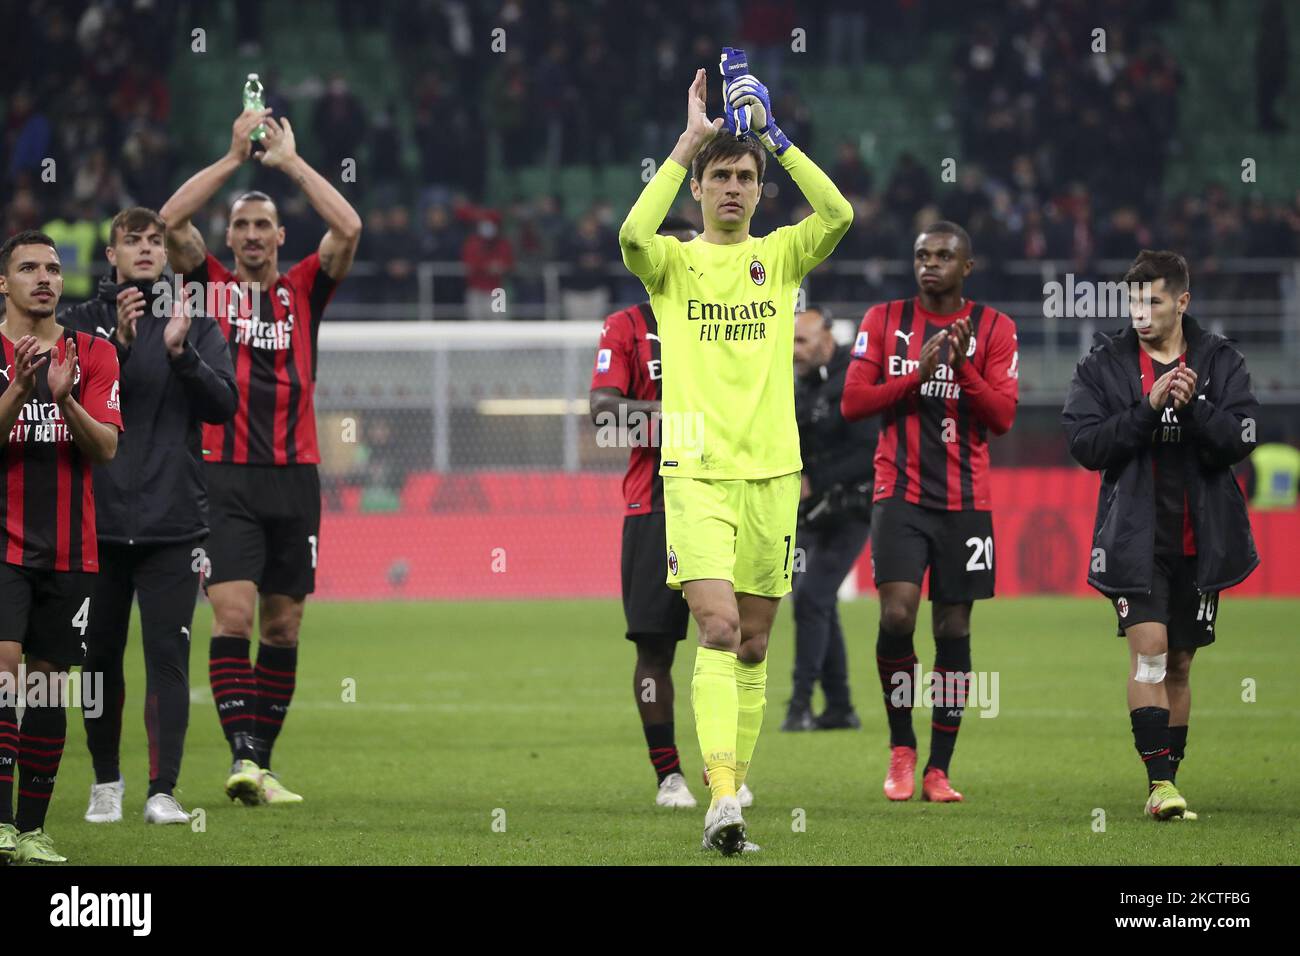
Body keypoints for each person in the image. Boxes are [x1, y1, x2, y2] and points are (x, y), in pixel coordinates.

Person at [618, 53, 852, 854]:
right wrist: (687, 143)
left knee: (754, 642)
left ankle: (728, 784)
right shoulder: (675, 266)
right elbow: (628, 234)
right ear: (699, 187)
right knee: (715, 628)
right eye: (718, 177)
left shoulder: (781, 257)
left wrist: (777, 137)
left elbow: (841, 214)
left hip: (774, 476)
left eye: (743, 178)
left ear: (757, 191)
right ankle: (723, 801)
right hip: (695, 476)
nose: (731, 188)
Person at [160, 109, 361, 805]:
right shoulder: (210, 282)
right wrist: (231, 158)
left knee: (284, 624)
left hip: (297, 478)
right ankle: (243, 756)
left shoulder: (306, 287)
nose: (249, 236)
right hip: (223, 476)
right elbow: (167, 220)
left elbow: (350, 229)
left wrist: (287, 164)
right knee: (235, 617)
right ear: (229, 238)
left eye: (261, 225)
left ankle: (260, 765)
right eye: (240, 225)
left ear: (279, 236)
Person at [1062, 249, 1260, 821]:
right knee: (1148, 655)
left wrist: (1194, 406)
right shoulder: (1104, 364)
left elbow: (1242, 435)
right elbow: (1085, 443)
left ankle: (1169, 779)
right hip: (1134, 539)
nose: (1141, 313)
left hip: (1202, 540)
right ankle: (1159, 784)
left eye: (1153, 300)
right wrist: (1147, 409)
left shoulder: (1220, 361)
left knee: (1179, 664)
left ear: (1182, 301)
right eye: (1134, 300)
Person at [59, 207, 237, 826]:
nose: (144, 249)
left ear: (166, 254)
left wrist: (182, 354)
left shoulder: (194, 320)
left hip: (172, 524)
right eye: (131, 240)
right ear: (110, 255)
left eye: (154, 241)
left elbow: (224, 405)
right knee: (100, 658)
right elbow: (67, 400)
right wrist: (120, 346)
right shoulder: (81, 322)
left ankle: (163, 789)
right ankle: (106, 782)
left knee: (168, 657)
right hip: (95, 521)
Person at [841, 221, 1019, 803]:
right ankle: (901, 748)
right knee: (897, 616)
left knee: (953, 627)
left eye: (944, 255)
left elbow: (1001, 417)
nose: (930, 263)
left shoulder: (996, 329)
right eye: (922, 254)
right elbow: (853, 402)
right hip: (900, 493)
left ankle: (939, 768)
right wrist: (919, 374)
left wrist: (960, 365)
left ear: (968, 266)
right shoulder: (882, 321)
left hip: (967, 503)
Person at [590, 214, 754, 812]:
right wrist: (686, 427)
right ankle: (669, 776)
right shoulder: (628, 328)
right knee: (656, 648)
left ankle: (725, 774)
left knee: (735, 638)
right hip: (655, 503)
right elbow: (604, 415)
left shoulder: (738, 319)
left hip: (729, 493)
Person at [0, 230, 122, 863]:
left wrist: (63, 398)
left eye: (52, 267)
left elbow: (105, 447)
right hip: (3, 546)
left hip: (72, 552)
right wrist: (19, 390)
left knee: (48, 688)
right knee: (4, 673)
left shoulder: (94, 353)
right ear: (5, 282)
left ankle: (30, 830)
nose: (44, 277)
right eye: (28, 267)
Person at [785, 304, 875, 732]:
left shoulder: (854, 380)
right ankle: (839, 706)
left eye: (801, 341)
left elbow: (868, 452)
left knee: (810, 597)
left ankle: (799, 705)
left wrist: (813, 478)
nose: (794, 350)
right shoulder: (803, 384)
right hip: (816, 510)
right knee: (814, 599)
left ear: (827, 339)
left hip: (854, 508)